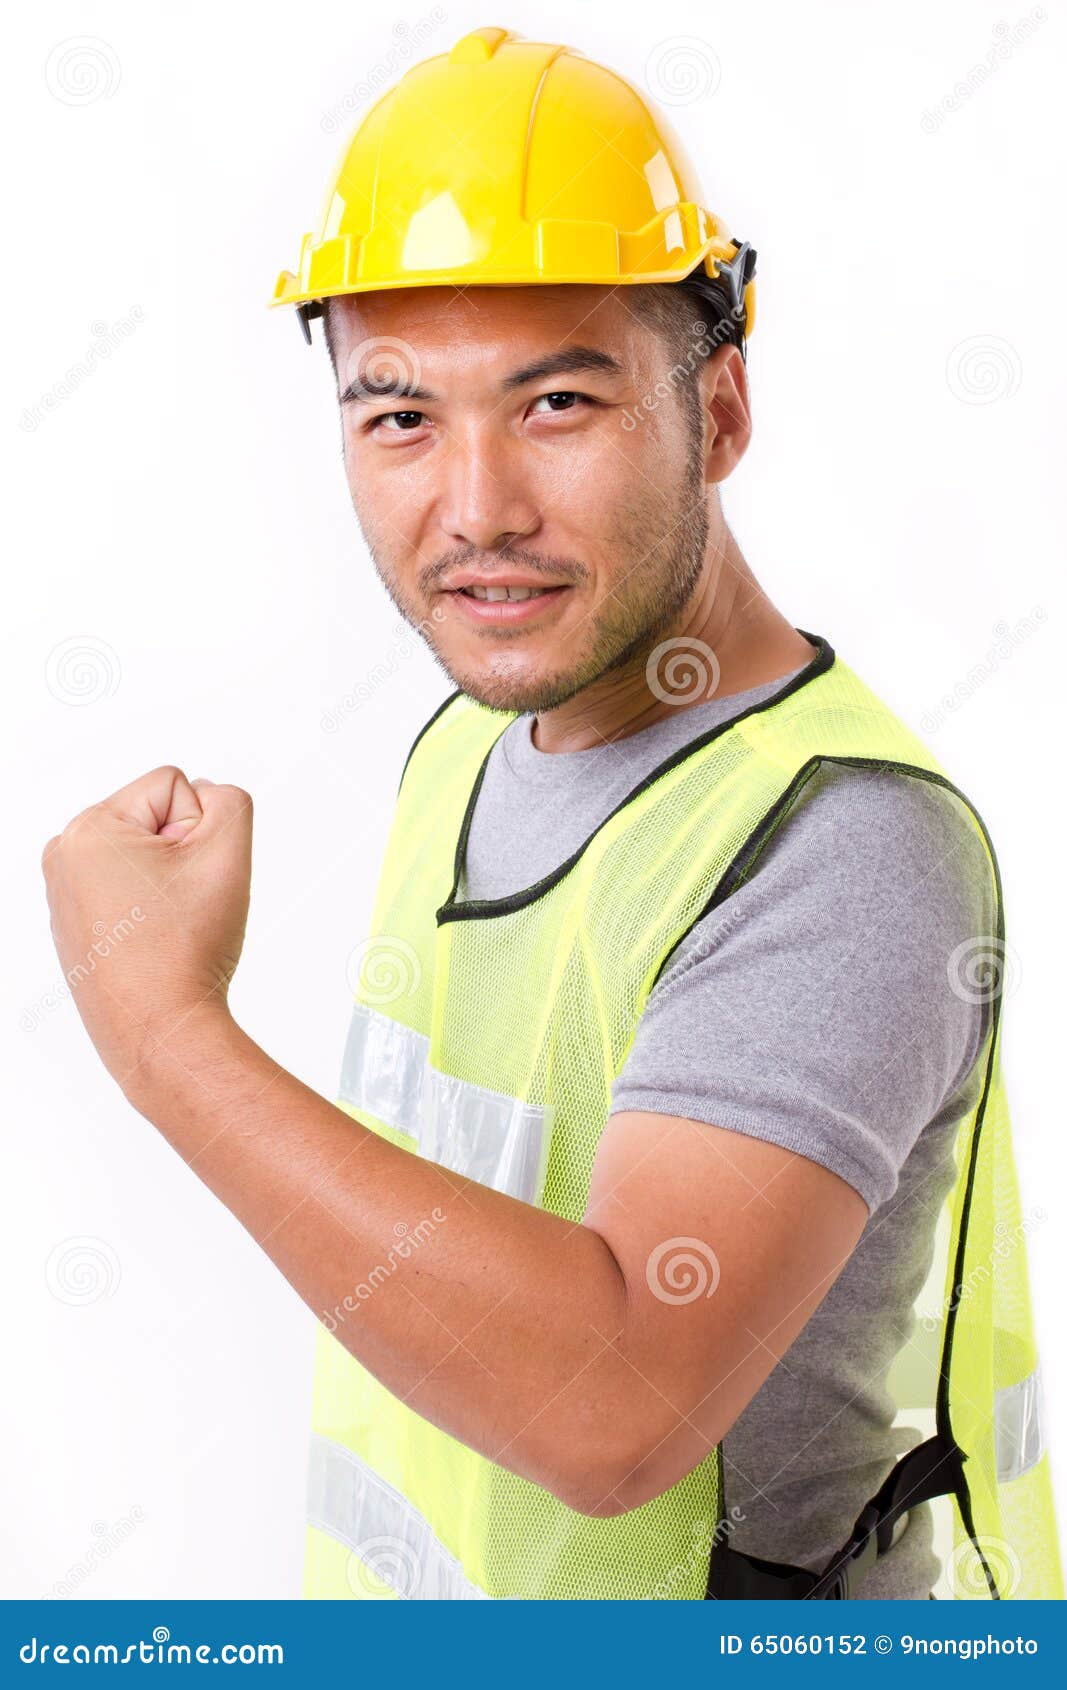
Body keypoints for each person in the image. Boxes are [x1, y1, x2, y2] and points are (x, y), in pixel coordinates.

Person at [41, 25, 1060, 1601]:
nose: (476, 507)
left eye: (559, 401)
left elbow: (616, 1402)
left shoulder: (841, 846)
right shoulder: (463, 746)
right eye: (399, 416)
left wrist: (165, 1036)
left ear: (717, 412)